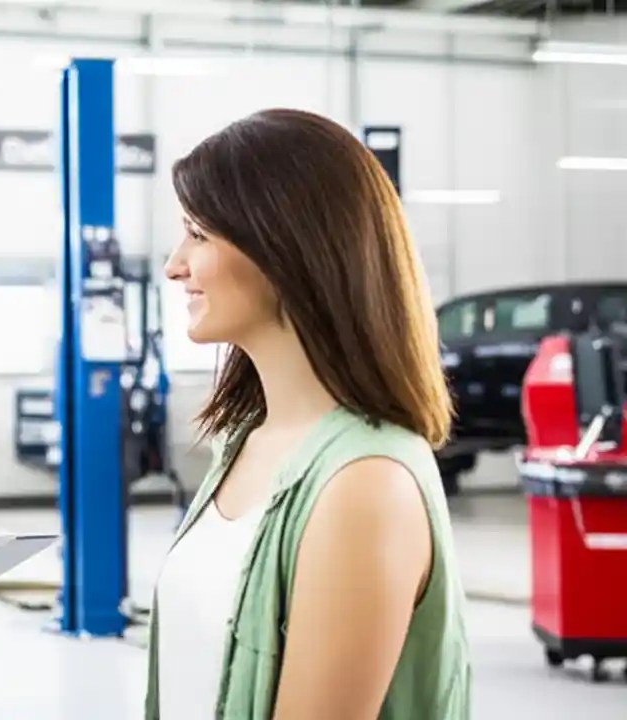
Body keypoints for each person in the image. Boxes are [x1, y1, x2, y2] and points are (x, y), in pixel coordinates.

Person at [144, 108, 471, 719]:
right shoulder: (247, 442)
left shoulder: (364, 483)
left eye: (198, 233)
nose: (174, 264)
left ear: (283, 246)